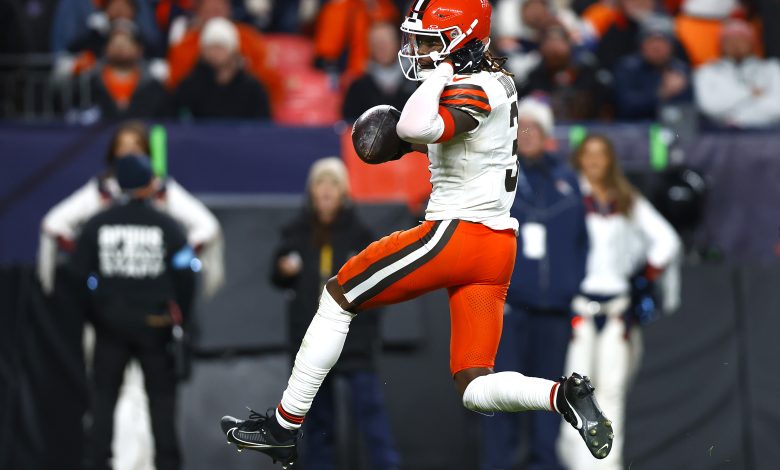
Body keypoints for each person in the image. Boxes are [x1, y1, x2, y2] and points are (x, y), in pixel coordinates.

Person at [220, 1, 614, 468]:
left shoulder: (474, 85)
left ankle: (283, 427)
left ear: (462, 42)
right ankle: (560, 396)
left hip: (456, 236)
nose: (420, 51)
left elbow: (412, 124)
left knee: (338, 294)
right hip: (495, 249)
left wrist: (440, 75)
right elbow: (422, 135)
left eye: (430, 41)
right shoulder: (496, 83)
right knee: (475, 386)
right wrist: (401, 140)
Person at [557, 134, 680, 470]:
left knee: (611, 391)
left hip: (616, 308)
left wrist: (645, 276)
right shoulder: (566, 195)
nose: (595, 161)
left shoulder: (626, 199)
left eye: (602, 155)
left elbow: (666, 240)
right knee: (573, 393)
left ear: (611, 160)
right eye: (589, 154)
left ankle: (608, 465)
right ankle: (577, 464)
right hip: (578, 307)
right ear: (579, 159)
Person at [270, 157, 400, 470]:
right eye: (320, 183)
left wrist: (368, 335)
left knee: (370, 416)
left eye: (333, 184)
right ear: (311, 192)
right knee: (318, 422)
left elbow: (379, 287)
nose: (326, 191)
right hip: (311, 341)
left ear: (344, 192)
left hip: (353, 342)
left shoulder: (360, 234)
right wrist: (283, 269)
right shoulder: (295, 232)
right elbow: (274, 276)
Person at [481, 97, 589, 470]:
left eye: (534, 129)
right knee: (504, 395)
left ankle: (545, 465)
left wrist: (571, 285)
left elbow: (581, 241)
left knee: (550, 398)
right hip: (510, 309)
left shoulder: (567, 180)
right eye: (520, 127)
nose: (526, 135)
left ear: (547, 136)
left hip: (555, 311)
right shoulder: (496, 176)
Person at [70, 155, 197, 470]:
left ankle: (97, 462)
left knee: (103, 402)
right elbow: (186, 272)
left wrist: (95, 312)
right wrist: (180, 311)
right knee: (162, 405)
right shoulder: (166, 224)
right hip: (155, 326)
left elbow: (75, 275)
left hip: (110, 327)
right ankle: (167, 464)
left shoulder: (98, 224)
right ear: (147, 184)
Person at [173, 17, 271, 119]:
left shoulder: (252, 89)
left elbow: (263, 127)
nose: (215, 53)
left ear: (233, 49)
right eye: (211, 47)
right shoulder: (189, 86)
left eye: (221, 47)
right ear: (203, 51)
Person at [694, 18, 780, 128]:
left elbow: (778, 106)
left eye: (741, 39)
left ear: (753, 43)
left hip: (769, 134)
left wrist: (739, 118)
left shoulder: (772, 68)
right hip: (722, 135)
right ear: (721, 45)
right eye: (729, 40)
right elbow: (709, 106)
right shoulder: (707, 72)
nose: (735, 44)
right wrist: (750, 94)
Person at [519, 24, 612, 120]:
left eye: (558, 42)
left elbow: (602, 105)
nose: (554, 49)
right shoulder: (535, 76)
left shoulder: (586, 71)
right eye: (549, 43)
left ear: (569, 44)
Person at [80, 23, 170, 119]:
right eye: (114, 42)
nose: (120, 47)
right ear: (105, 48)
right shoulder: (88, 83)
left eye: (126, 42)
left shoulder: (153, 86)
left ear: (139, 49)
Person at [613, 14, 693, 121]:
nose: (657, 47)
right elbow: (625, 107)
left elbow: (689, 112)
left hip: (672, 130)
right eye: (651, 41)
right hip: (632, 131)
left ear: (672, 46)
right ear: (641, 44)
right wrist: (662, 94)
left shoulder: (680, 70)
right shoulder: (627, 68)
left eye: (662, 41)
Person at [342, 21, 416, 121]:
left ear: (398, 42)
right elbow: (350, 123)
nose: (382, 48)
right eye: (376, 43)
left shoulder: (416, 79)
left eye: (386, 42)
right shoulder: (358, 86)